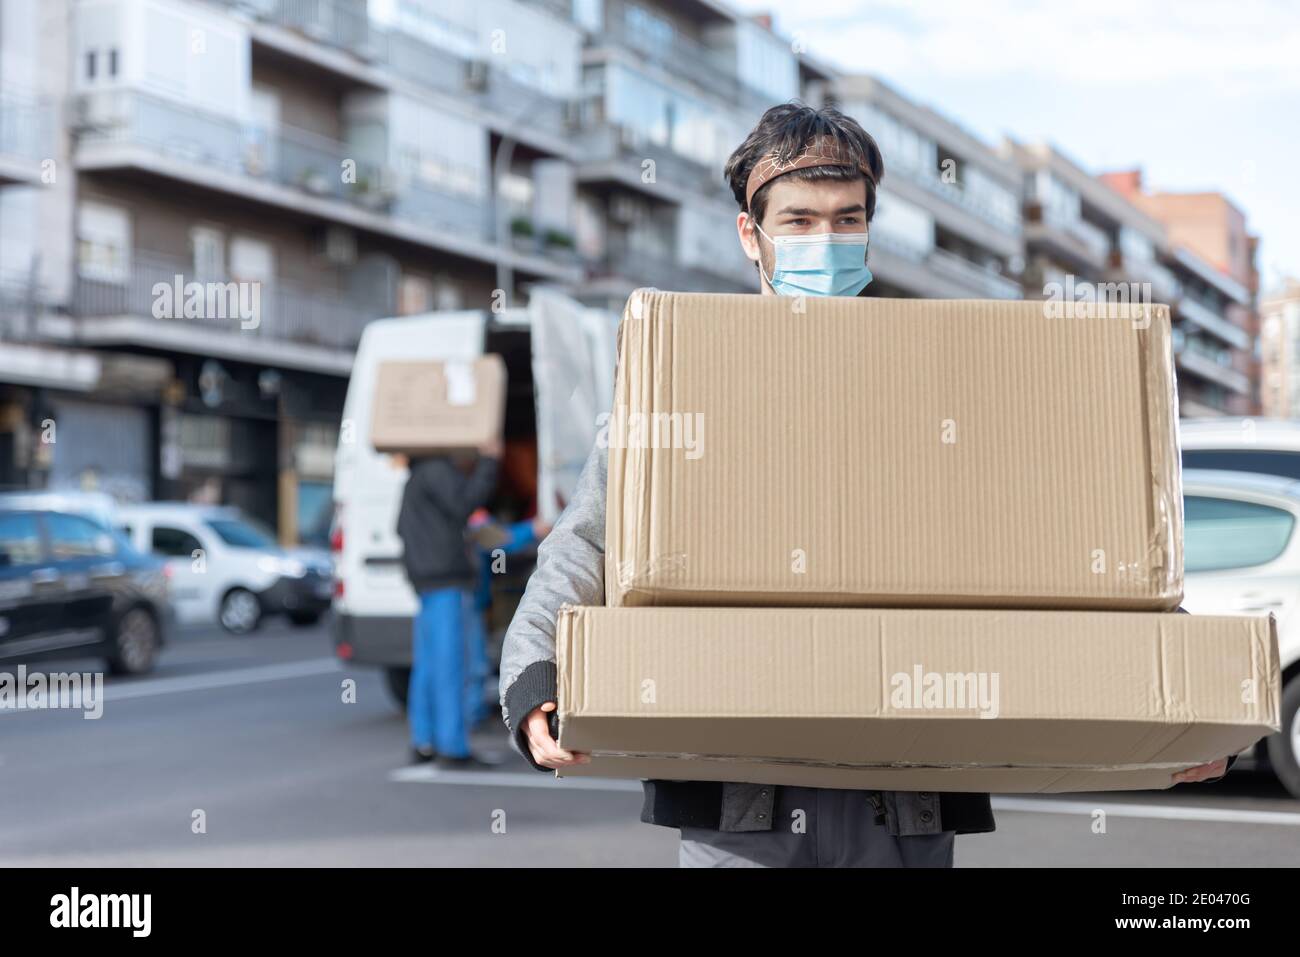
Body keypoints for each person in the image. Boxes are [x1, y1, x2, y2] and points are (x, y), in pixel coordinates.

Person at [498, 103, 1234, 868]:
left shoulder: (936, 374)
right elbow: (586, 539)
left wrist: (1178, 694)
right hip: (738, 795)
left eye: (847, 220)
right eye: (801, 220)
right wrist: (533, 678)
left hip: (903, 795)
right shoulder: (684, 377)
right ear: (751, 235)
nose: (827, 240)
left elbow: (1068, 541)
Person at [397, 439, 501, 768]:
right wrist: (489, 462)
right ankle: (453, 747)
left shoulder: (415, 476)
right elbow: (465, 503)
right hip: (446, 581)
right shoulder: (437, 470)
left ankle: (424, 742)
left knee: (427, 666)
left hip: (426, 582)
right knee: (451, 666)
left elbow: (400, 527)